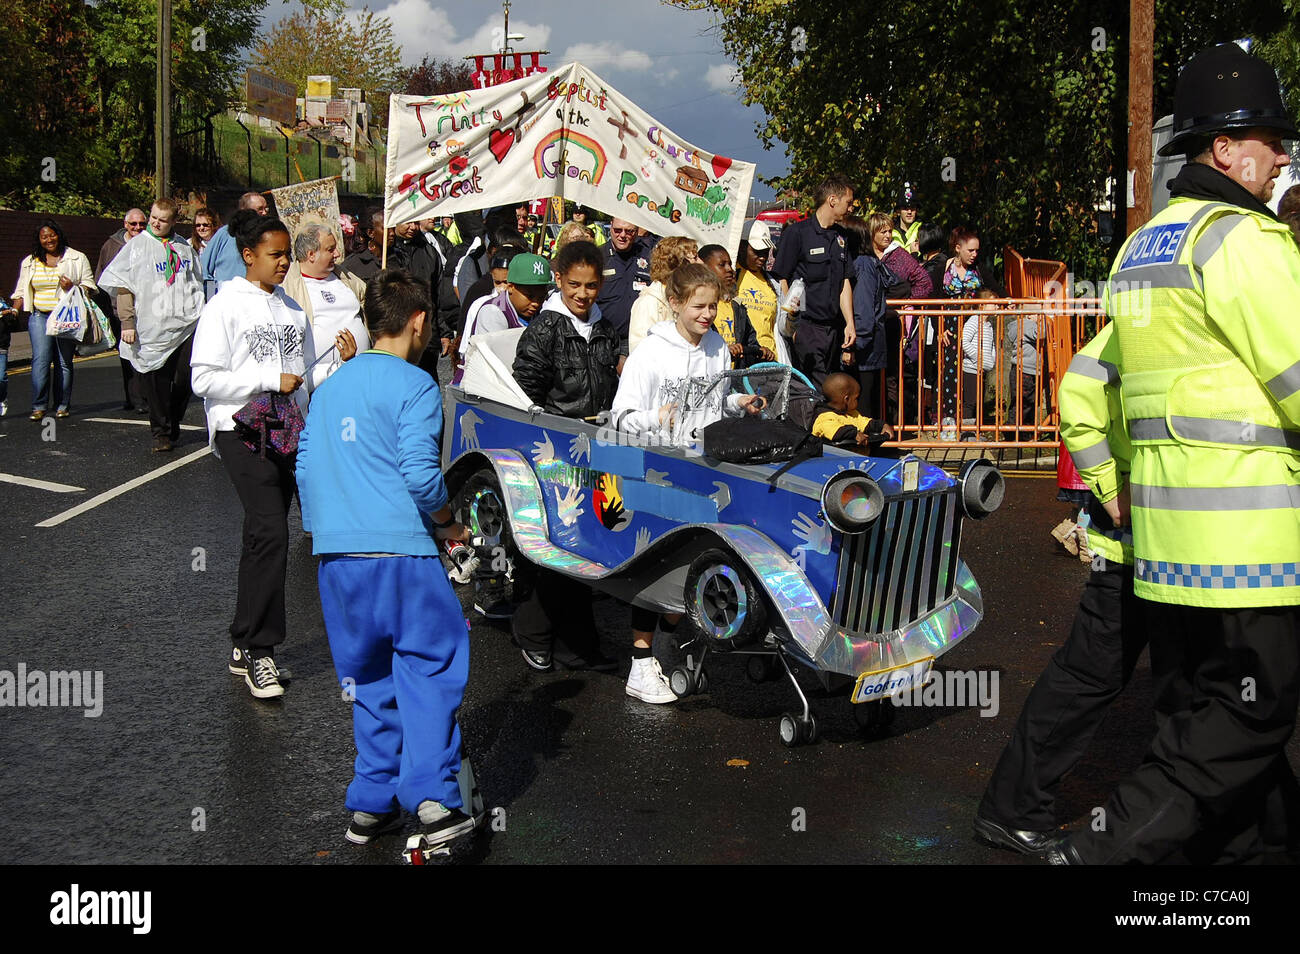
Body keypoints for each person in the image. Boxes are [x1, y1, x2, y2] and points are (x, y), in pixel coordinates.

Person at [1050, 43, 1300, 866]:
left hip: (1169, 547)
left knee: (1206, 718)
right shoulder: (1248, 242)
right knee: (1250, 716)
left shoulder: (1144, 247)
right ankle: (1103, 851)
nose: (1284, 154)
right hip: (1257, 544)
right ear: (1226, 149)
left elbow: (1094, 382)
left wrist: (1107, 482)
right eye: (1271, 138)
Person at [296, 268, 478, 852]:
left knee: (367, 678)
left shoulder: (327, 389)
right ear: (419, 322)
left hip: (337, 557)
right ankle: (431, 798)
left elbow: (303, 470)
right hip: (401, 552)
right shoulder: (418, 386)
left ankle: (372, 800)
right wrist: (450, 527)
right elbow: (422, 476)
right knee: (428, 668)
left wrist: (330, 527)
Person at [976, 321, 1142, 856]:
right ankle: (1016, 812)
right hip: (1144, 546)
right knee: (1234, 702)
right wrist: (1113, 492)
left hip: (1191, 549)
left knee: (1231, 699)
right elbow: (1079, 389)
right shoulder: (1167, 304)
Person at [612, 263, 765, 702]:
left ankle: (663, 646)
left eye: (713, 306)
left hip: (704, 467)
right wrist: (655, 419)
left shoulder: (718, 346)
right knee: (659, 568)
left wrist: (740, 401)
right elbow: (619, 418)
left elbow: (714, 402)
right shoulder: (650, 353)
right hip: (659, 469)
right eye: (698, 305)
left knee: (692, 567)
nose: (708, 315)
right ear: (675, 303)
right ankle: (640, 666)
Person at [190, 209, 306, 700]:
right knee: (272, 531)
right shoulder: (224, 306)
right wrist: (265, 380)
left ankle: (242, 638)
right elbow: (204, 379)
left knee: (261, 535)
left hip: (285, 431)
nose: (284, 263)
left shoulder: (294, 311)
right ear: (248, 255)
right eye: (275, 255)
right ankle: (262, 651)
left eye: (288, 255)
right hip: (239, 429)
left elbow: (304, 377)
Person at [510, 241, 620, 672]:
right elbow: (523, 396)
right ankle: (534, 633)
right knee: (553, 546)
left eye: (591, 286)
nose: (583, 294)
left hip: (597, 450)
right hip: (554, 450)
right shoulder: (545, 329)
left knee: (587, 547)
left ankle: (577, 644)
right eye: (574, 284)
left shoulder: (605, 327)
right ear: (558, 280)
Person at [101, 199, 206, 452]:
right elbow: (123, 286)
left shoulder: (183, 247)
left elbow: (195, 279)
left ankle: (172, 419)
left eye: (163, 219)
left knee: (185, 378)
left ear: (173, 222)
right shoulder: (136, 247)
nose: (156, 223)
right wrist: (127, 322)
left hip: (186, 324)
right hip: (151, 326)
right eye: (153, 217)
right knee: (156, 382)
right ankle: (161, 432)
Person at [771, 174, 857, 386]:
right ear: (832, 200)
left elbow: (844, 283)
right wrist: (792, 324)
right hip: (807, 327)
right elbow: (783, 278)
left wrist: (849, 324)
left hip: (834, 329)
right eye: (848, 202)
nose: (850, 208)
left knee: (828, 386)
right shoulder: (797, 233)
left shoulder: (842, 238)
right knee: (816, 388)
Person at [12, 219, 98, 421]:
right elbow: (20, 291)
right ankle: (39, 405)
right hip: (40, 316)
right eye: (44, 236)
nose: (49, 239)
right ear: (39, 240)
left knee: (63, 361)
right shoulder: (30, 262)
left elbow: (90, 286)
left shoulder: (77, 257)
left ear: (58, 235)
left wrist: (73, 287)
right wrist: (14, 311)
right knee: (40, 360)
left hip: (66, 316)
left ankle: (62, 404)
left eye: (52, 235)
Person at [282, 223, 370, 395]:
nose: (337, 254)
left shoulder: (345, 277)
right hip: (317, 385)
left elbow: (370, 299)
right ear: (311, 254)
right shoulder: (287, 285)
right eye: (331, 250)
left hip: (357, 376)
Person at [455, 252, 551, 381]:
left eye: (541, 297)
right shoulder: (493, 311)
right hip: (483, 391)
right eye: (530, 296)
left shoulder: (541, 310)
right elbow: (500, 365)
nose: (536, 303)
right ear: (511, 287)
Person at [95, 208, 149, 412]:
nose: (138, 228)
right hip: (119, 310)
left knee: (145, 354)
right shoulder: (111, 246)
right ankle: (133, 398)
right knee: (127, 355)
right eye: (133, 224)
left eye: (142, 224)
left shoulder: (150, 244)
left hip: (146, 310)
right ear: (125, 224)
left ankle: (144, 398)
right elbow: (101, 277)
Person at [839, 216, 892, 418]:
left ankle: (867, 448)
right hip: (865, 349)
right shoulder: (863, 263)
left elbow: (862, 311)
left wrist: (851, 346)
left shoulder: (862, 265)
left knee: (863, 409)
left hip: (863, 352)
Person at [698, 244, 768, 368]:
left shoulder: (737, 306)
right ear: (704, 268)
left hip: (735, 380)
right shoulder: (698, 307)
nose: (730, 269)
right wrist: (724, 351)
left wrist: (761, 353)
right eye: (722, 265)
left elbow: (750, 344)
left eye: (730, 264)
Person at [627, 236, 699, 354]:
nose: (700, 262)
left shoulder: (689, 297)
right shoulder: (649, 303)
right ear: (679, 264)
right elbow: (640, 351)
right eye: (695, 258)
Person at [594, 218, 652, 351]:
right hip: (604, 339)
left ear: (636, 232)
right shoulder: (597, 257)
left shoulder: (649, 256)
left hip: (640, 339)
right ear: (611, 227)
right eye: (618, 230)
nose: (622, 235)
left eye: (629, 231)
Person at [200, 191, 269, 296]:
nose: (264, 213)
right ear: (244, 210)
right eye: (260, 209)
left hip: (253, 297)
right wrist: (210, 298)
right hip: (225, 297)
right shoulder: (225, 234)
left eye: (266, 208)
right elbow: (204, 270)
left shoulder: (266, 237)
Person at [735, 220, 781, 361]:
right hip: (743, 358)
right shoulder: (730, 275)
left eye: (766, 252)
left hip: (770, 360)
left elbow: (783, 326)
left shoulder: (773, 282)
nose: (762, 257)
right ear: (742, 247)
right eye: (757, 251)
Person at [811, 372, 893, 446]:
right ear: (846, 399)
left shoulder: (852, 414)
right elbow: (835, 431)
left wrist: (882, 425)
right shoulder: (824, 418)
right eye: (856, 398)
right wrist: (854, 434)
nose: (858, 401)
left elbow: (866, 423)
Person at [959, 287, 998, 436]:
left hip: (983, 368)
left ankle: (976, 431)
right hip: (971, 369)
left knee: (979, 401)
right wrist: (978, 358)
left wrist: (991, 360)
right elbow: (965, 342)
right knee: (970, 402)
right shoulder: (974, 320)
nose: (997, 307)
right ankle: (967, 433)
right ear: (982, 305)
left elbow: (992, 345)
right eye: (993, 303)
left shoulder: (987, 324)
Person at [342, 209, 385, 281]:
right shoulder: (351, 266)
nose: (391, 233)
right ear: (371, 233)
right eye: (385, 228)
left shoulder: (400, 258)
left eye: (392, 227)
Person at [892, 184, 922, 254]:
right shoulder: (890, 231)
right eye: (905, 208)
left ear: (916, 210)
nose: (909, 212)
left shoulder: (923, 230)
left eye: (912, 208)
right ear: (898, 211)